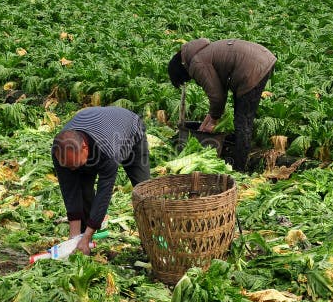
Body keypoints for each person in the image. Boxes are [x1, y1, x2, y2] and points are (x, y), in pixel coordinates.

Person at [52, 106, 150, 255]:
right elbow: (69, 189)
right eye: (67, 165)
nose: (71, 170)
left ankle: (153, 239)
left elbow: (104, 194)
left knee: (143, 190)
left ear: (84, 148)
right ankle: (82, 242)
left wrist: (87, 236)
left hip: (129, 127)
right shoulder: (59, 152)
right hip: (94, 125)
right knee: (83, 188)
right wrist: (73, 236)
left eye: (73, 165)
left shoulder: (108, 151)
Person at [168, 38, 276, 172]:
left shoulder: (197, 63)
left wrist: (213, 121)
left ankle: (239, 170)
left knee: (243, 122)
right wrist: (208, 120)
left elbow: (217, 96)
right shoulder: (200, 54)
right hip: (259, 59)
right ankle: (238, 158)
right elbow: (220, 91)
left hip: (253, 67)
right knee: (241, 118)